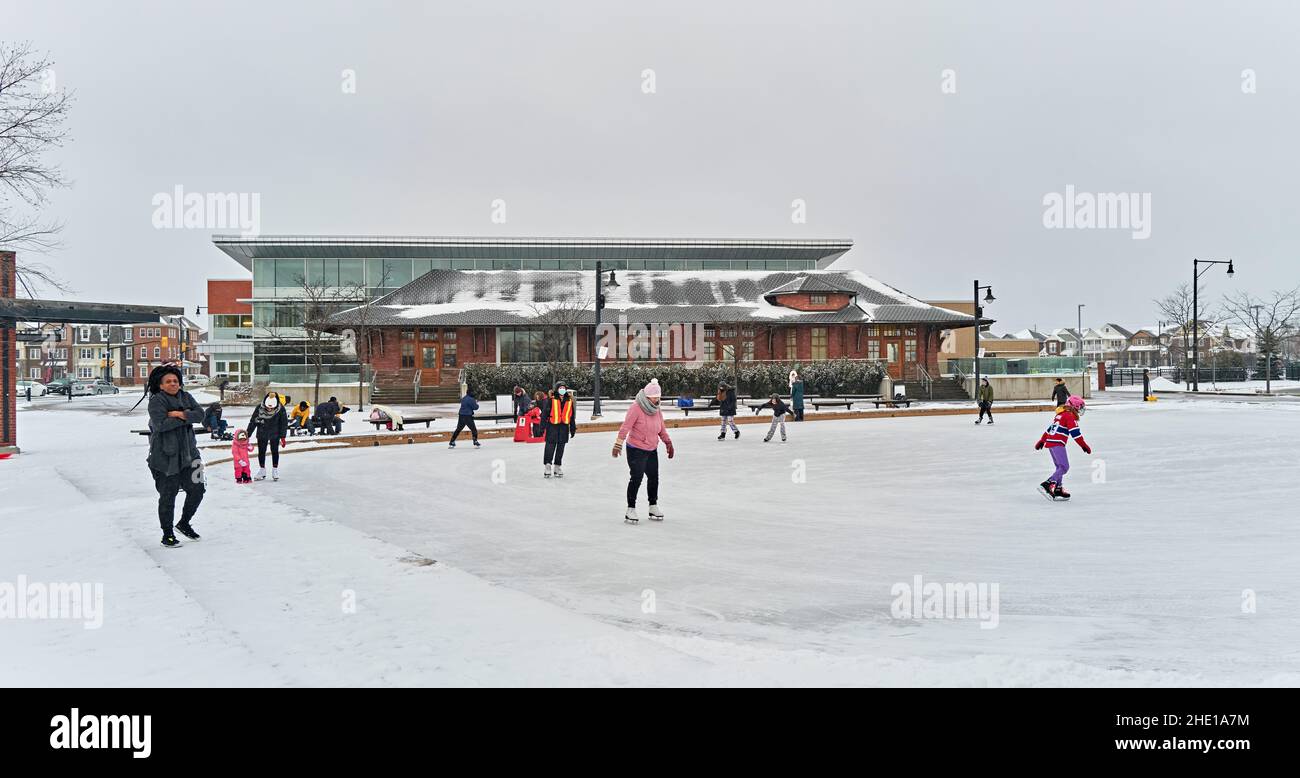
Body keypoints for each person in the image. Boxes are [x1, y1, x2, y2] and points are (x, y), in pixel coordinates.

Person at [144, 365, 206, 547]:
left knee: (198, 490)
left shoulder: (186, 396)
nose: (173, 384)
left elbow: (200, 415)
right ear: (161, 385)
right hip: (165, 457)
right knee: (168, 495)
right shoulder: (156, 401)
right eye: (168, 382)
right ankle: (168, 534)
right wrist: (187, 417)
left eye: (175, 381)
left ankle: (184, 523)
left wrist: (178, 414)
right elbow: (160, 424)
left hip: (190, 455)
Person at [612, 378, 673, 523]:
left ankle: (653, 505)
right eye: (654, 398)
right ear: (647, 397)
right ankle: (631, 508)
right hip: (636, 449)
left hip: (651, 448)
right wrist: (618, 444)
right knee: (636, 478)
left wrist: (668, 442)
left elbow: (661, 428)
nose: (657, 400)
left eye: (658, 397)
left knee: (654, 478)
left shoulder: (657, 410)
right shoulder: (636, 408)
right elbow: (625, 427)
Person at [1035, 395, 1092, 500]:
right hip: (1057, 443)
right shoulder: (1069, 416)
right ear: (1074, 407)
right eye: (1080, 407)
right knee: (1064, 467)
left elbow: (1050, 429)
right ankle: (1047, 484)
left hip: (1051, 443)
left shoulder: (1060, 415)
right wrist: (1084, 445)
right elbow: (1075, 433)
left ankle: (1058, 489)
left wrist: (1042, 441)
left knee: (1059, 467)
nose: (1081, 410)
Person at [246, 391, 288, 481]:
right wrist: (248, 434)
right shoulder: (259, 408)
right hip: (262, 432)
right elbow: (253, 421)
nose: (269, 409)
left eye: (271, 408)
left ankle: (275, 470)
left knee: (274, 451)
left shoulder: (281, 409)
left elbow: (284, 423)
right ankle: (262, 470)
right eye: (268, 408)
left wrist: (283, 436)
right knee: (261, 451)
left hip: (275, 433)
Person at [541, 380, 577, 478]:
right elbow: (544, 414)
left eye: (564, 388)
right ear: (557, 390)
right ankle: (547, 466)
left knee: (560, 448)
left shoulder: (569, 401)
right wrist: (542, 427)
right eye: (560, 388)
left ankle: (557, 466)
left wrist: (573, 428)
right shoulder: (551, 400)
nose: (562, 390)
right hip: (552, 426)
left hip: (564, 427)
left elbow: (571, 416)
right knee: (550, 447)